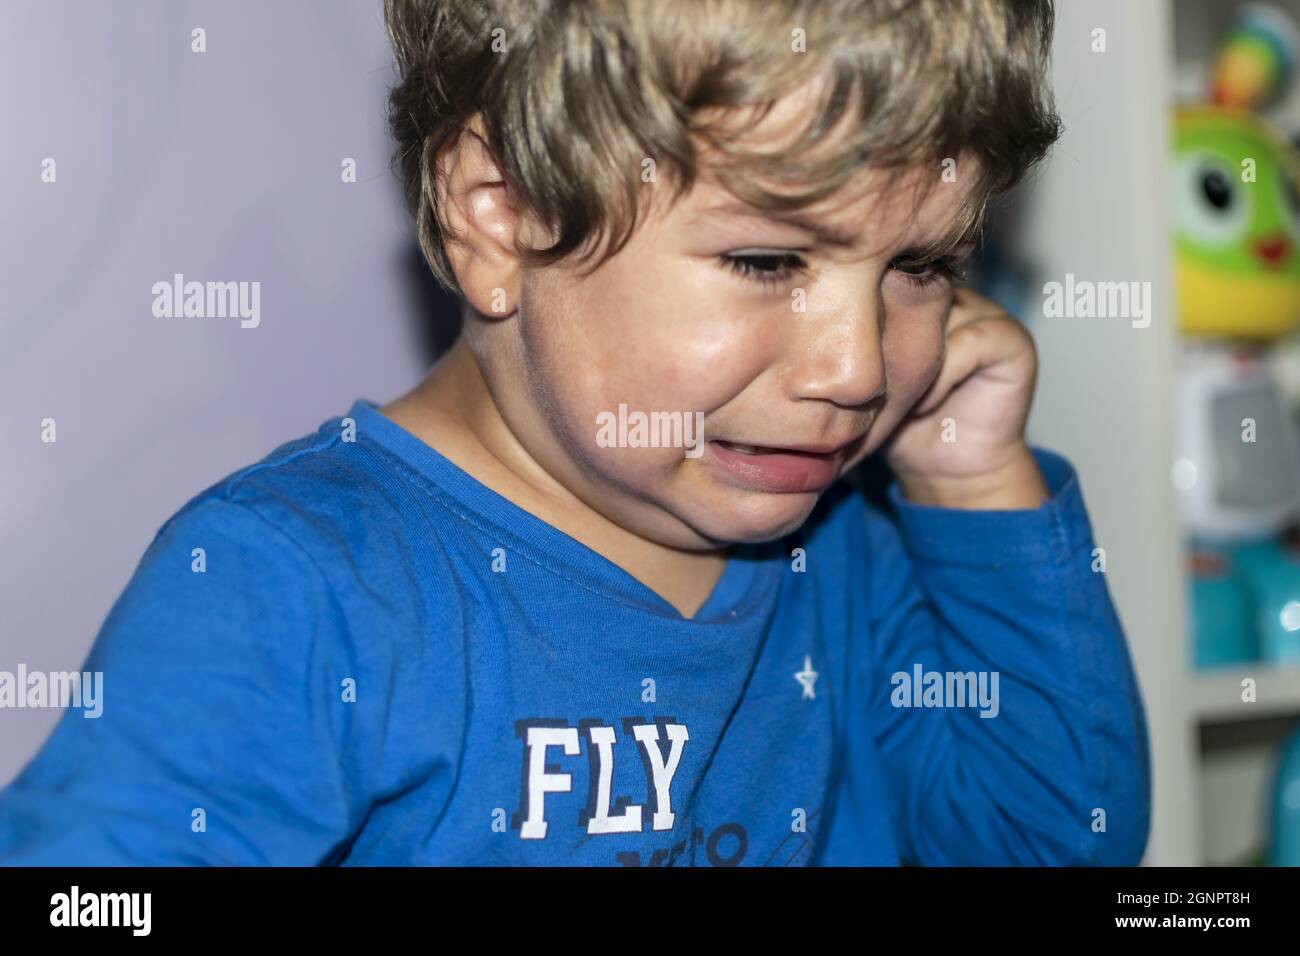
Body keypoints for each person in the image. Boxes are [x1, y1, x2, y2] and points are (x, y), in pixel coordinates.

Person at [0, 0, 1150, 865]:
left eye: (919, 267)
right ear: (500, 218)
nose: (856, 368)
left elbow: (1058, 840)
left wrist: (972, 485)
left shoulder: (845, 545)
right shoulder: (291, 587)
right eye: (766, 260)